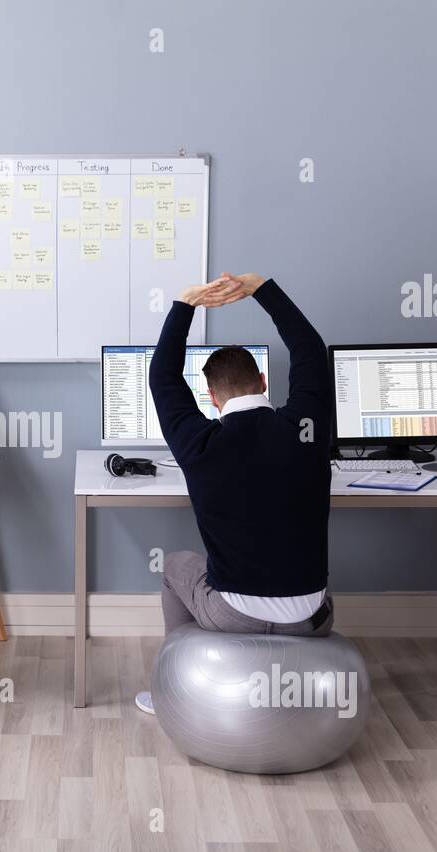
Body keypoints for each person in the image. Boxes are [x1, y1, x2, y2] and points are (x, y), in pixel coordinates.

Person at [135, 272, 333, 716]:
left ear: (209, 397)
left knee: (175, 566)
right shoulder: (308, 428)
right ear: (263, 381)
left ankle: (175, 690)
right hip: (311, 620)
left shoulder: (198, 443)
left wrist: (185, 304)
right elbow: (309, 349)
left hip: (232, 615)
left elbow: (163, 377)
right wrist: (261, 288)